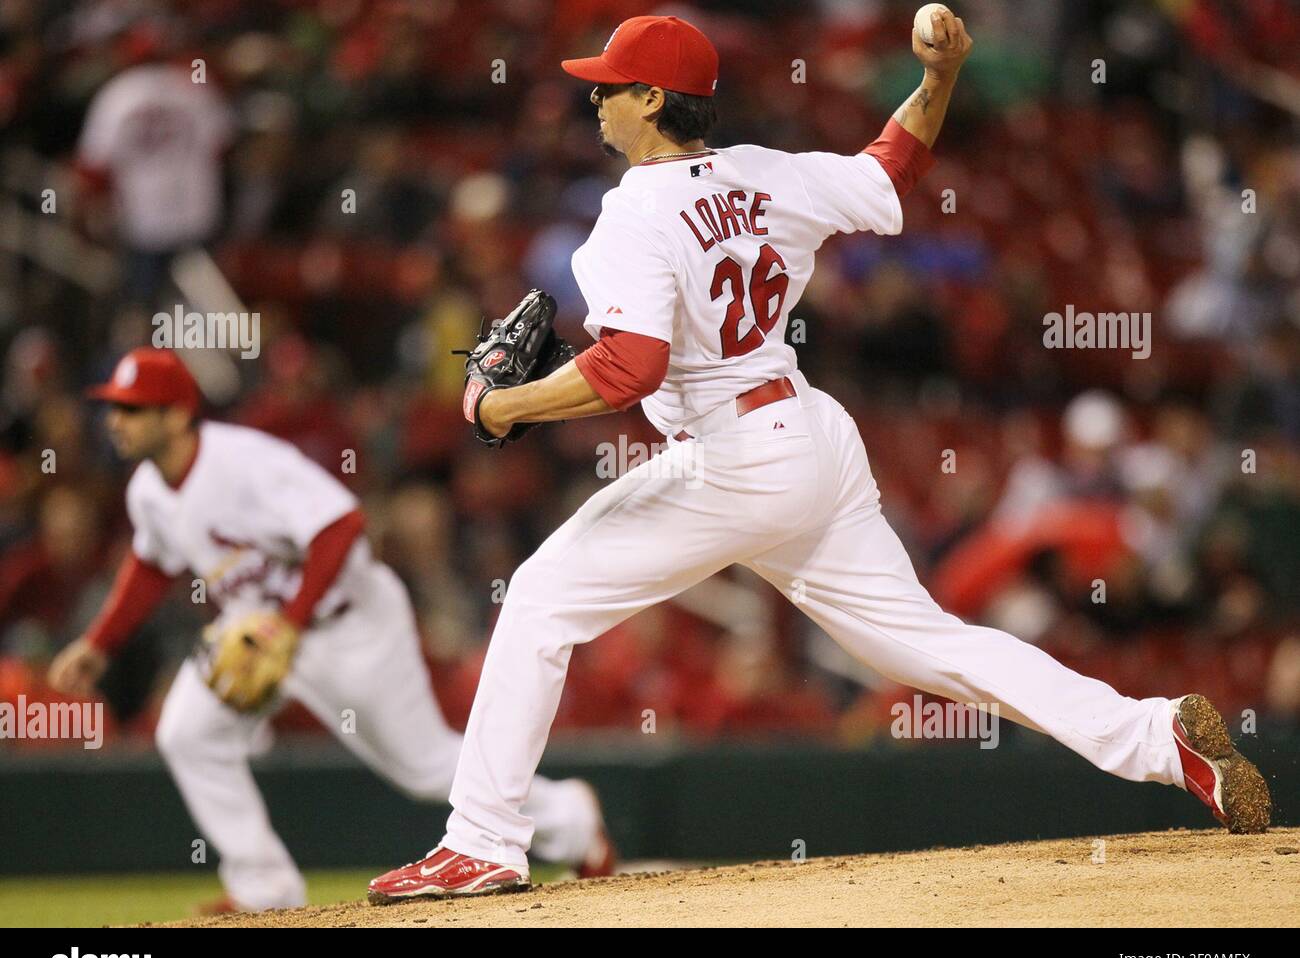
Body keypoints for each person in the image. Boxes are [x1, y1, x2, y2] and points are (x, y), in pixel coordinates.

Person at [367, 11, 1270, 903]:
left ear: (651, 98)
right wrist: (939, 77)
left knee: (537, 597)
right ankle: (1157, 738)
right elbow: (892, 166)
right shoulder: (767, 173)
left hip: (731, 456)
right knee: (931, 646)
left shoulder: (628, 215)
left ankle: (482, 840)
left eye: (608, 86)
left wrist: (500, 407)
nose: (594, 100)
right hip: (810, 437)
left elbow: (628, 367)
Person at [50, 347, 613, 912]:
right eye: (115, 409)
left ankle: (571, 820)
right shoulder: (148, 491)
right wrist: (100, 643)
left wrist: (289, 625)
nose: (115, 422)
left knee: (426, 768)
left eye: (132, 409)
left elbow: (342, 525)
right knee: (187, 734)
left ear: (175, 415)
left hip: (352, 626)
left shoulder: (244, 462)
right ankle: (263, 886)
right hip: (255, 632)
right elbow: (152, 564)